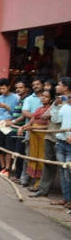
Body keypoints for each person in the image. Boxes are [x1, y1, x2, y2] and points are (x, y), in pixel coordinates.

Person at [21, 88, 53, 189]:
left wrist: (34, 127)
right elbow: (31, 120)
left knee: (41, 158)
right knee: (33, 156)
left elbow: (49, 126)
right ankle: (34, 180)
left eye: (46, 97)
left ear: (51, 99)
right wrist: (23, 127)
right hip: (34, 136)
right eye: (42, 96)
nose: (43, 98)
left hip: (42, 136)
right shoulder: (39, 109)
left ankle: (39, 183)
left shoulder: (50, 110)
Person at [0, 79, 19, 176]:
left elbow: (16, 113)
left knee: (8, 148)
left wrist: (6, 107)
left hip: (9, 126)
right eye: (0, 89)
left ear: (8, 87)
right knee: (0, 147)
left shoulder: (15, 98)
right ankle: (2, 167)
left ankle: (8, 167)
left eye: (3, 88)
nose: (2, 90)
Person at [51, 77, 71, 211]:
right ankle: (66, 198)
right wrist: (56, 106)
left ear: (66, 87)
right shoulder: (61, 102)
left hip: (69, 143)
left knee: (69, 171)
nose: (57, 86)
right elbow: (56, 119)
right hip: (61, 141)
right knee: (63, 171)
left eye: (59, 84)